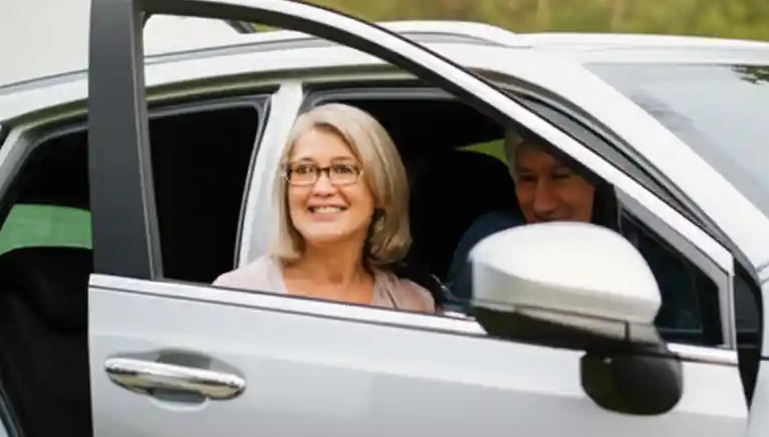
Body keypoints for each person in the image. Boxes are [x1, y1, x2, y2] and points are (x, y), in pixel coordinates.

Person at [214, 103, 435, 313]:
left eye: (343, 169)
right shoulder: (236, 295)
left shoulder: (412, 304)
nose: (321, 188)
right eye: (304, 170)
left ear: (381, 189)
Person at [445, 126, 596, 300]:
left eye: (560, 176)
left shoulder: (631, 224)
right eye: (527, 179)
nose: (541, 206)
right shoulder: (496, 248)